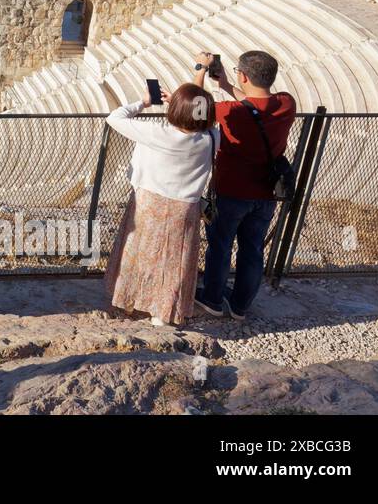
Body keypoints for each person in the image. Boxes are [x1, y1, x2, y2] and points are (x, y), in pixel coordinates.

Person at [193, 50, 296, 320]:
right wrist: (227, 85)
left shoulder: (229, 112)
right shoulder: (286, 103)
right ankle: (240, 306)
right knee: (252, 249)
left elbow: (195, 108)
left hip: (231, 191)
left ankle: (213, 299)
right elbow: (257, 104)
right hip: (266, 193)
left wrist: (200, 69)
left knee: (221, 245)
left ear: (244, 76)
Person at [104, 83, 218, 327]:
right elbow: (201, 122)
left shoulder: (159, 134)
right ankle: (164, 312)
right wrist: (183, 106)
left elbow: (116, 118)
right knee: (175, 259)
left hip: (150, 202)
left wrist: (145, 102)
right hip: (186, 207)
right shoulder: (211, 137)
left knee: (140, 252)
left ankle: (129, 299)